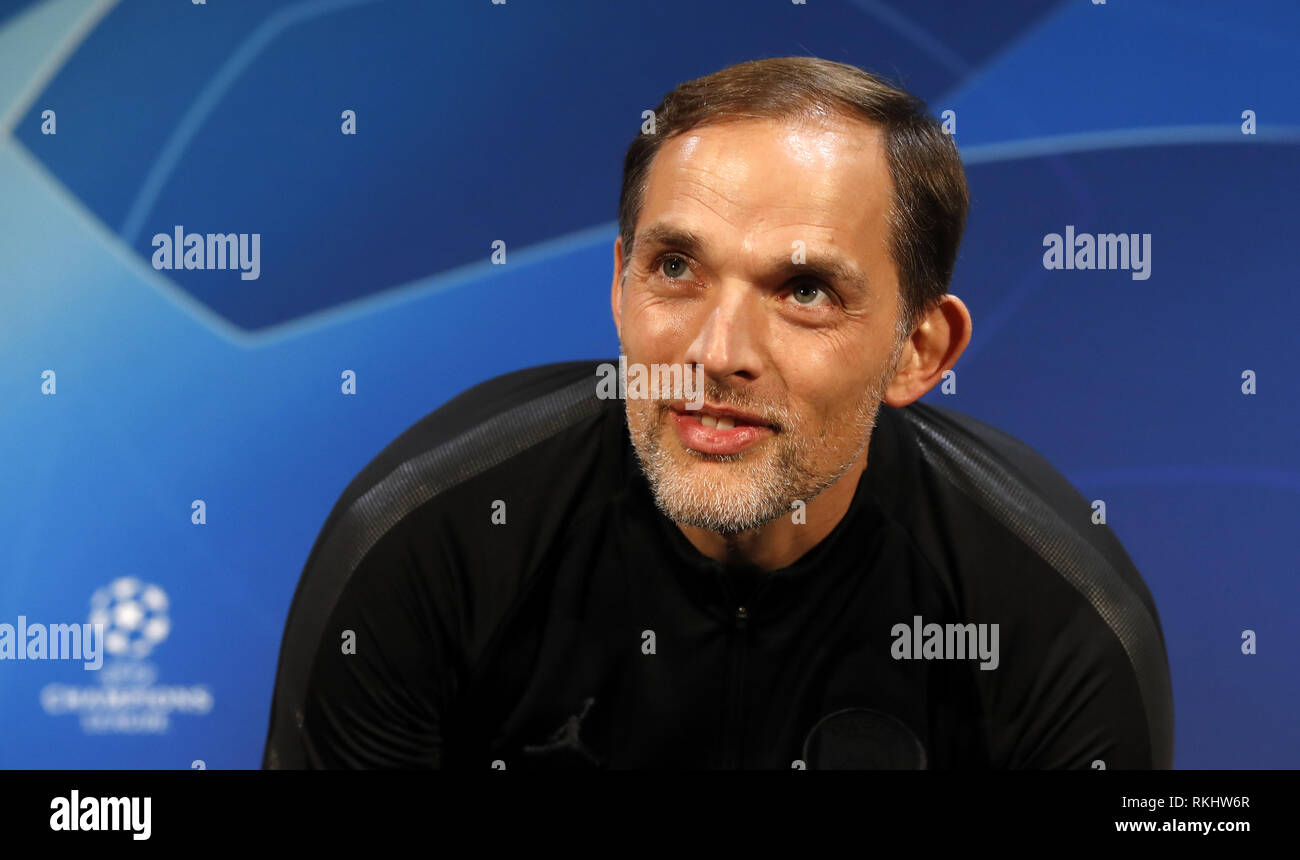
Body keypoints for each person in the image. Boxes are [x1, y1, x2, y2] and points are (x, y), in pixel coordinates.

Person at [262, 56, 1173, 769]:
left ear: (919, 350)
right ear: (619, 287)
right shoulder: (427, 540)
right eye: (674, 269)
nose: (715, 351)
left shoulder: (1058, 618)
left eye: (805, 289)